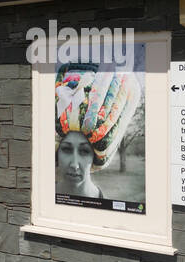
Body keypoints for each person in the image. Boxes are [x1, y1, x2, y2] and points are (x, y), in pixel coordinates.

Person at [54, 64, 143, 202]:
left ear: (95, 156)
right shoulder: (42, 198)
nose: (74, 164)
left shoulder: (111, 214)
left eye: (84, 151)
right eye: (66, 149)